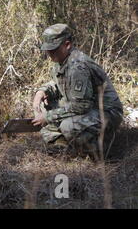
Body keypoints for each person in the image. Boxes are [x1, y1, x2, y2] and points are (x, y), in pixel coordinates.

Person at [32, 24, 123, 159]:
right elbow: (58, 84)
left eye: (53, 49)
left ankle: (101, 153)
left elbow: (81, 106)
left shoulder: (78, 67)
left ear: (67, 45)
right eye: (48, 50)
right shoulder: (61, 62)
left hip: (107, 112)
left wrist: (48, 117)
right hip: (88, 109)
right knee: (46, 118)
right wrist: (42, 91)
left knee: (68, 125)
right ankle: (65, 147)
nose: (49, 54)